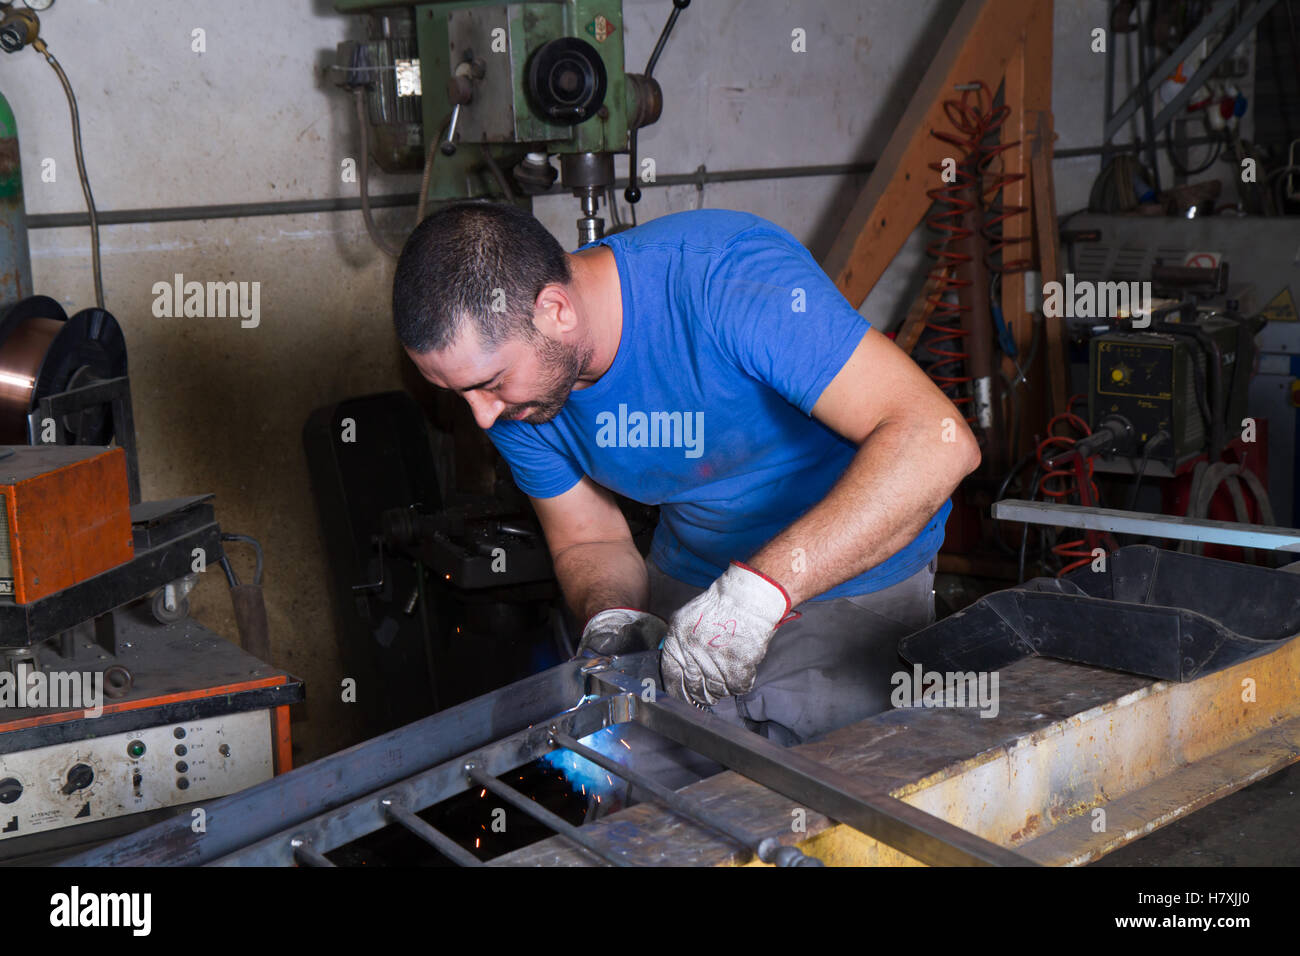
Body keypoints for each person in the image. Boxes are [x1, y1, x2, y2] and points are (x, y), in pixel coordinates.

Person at [393, 201, 980, 749]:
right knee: (645, 808)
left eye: (489, 383)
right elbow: (588, 537)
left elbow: (937, 443)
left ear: (555, 310)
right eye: (456, 393)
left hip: (849, 572)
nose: (482, 416)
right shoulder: (518, 402)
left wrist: (756, 595)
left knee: (812, 808)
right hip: (694, 575)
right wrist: (612, 619)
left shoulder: (724, 277)